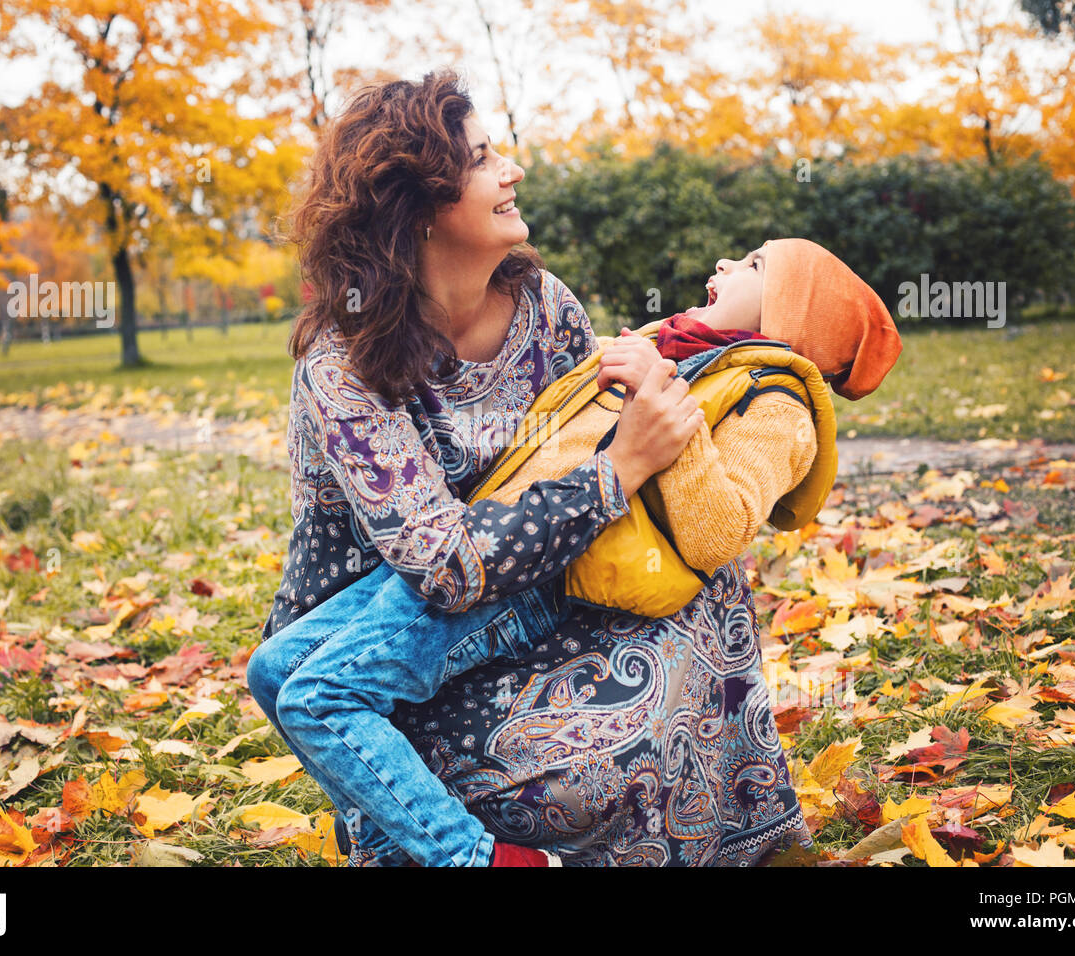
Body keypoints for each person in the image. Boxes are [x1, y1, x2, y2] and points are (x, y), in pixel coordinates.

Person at [249, 69, 831, 866]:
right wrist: (619, 469)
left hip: (537, 593)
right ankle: (451, 846)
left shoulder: (544, 305)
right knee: (282, 675)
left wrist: (651, 439)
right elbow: (446, 568)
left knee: (712, 576)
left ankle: (730, 831)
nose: (511, 169)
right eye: (484, 158)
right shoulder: (341, 366)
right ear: (419, 207)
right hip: (391, 633)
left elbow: (593, 436)